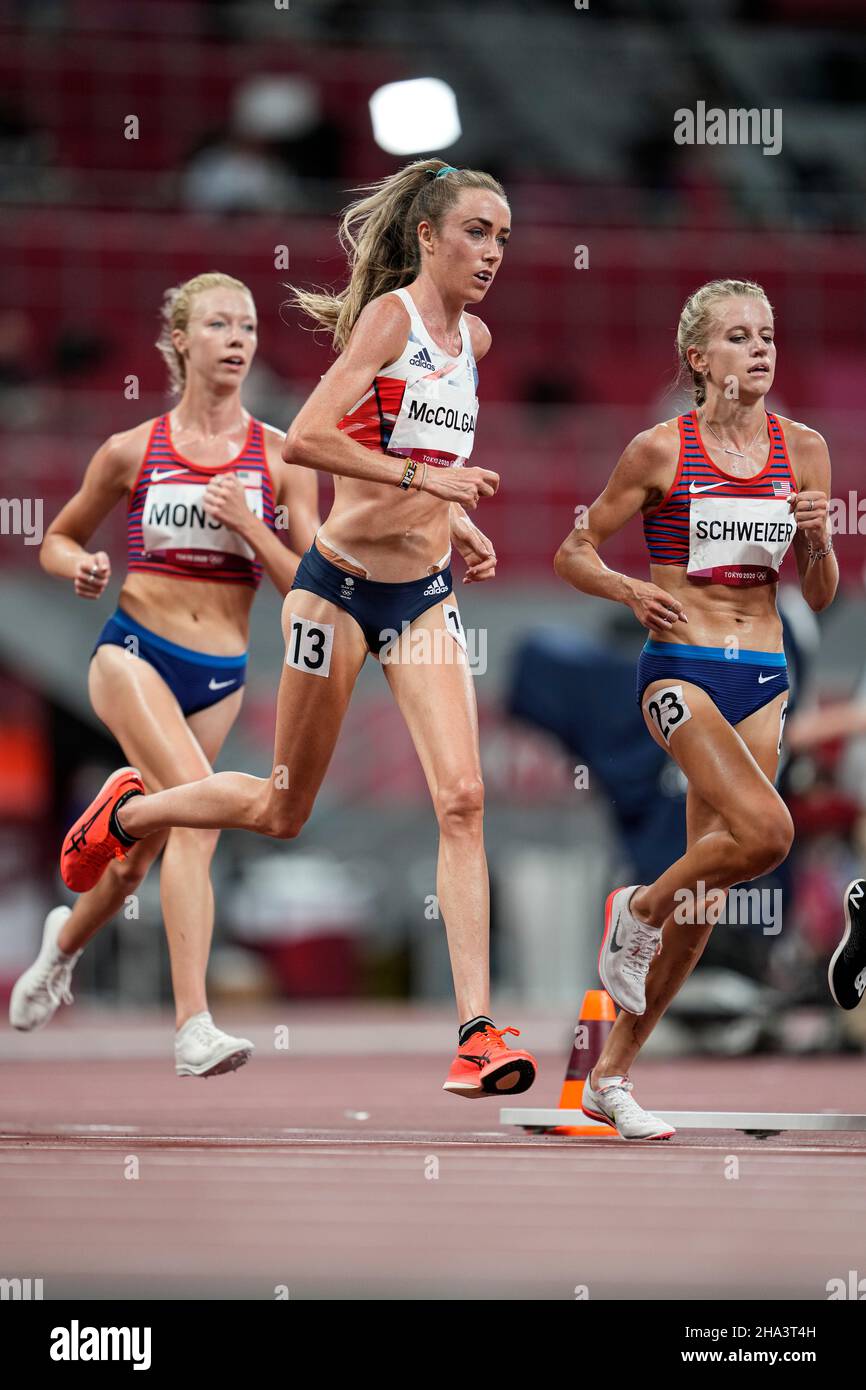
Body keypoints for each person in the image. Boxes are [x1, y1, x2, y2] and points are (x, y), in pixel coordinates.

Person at [57, 160, 537, 1099]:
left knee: (465, 798)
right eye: (478, 232)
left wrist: (456, 519)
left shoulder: (473, 337)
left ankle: (476, 1032)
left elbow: (423, 450)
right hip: (335, 592)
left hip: (423, 596)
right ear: (430, 237)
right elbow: (310, 439)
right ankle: (132, 812)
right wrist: (426, 485)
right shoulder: (389, 320)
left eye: (505, 237)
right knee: (283, 810)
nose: (493, 253)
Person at [13, 271, 319, 1078]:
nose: (238, 341)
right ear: (180, 340)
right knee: (200, 818)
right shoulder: (131, 449)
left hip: (219, 673)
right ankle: (193, 1025)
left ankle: (60, 948)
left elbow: (313, 589)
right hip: (133, 652)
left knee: (137, 859)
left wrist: (251, 525)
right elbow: (57, 537)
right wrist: (77, 564)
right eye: (219, 325)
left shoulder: (282, 457)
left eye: (248, 327)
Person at [554, 278, 838, 1138]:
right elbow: (575, 550)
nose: (760, 350)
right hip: (679, 668)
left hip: (762, 674)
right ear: (699, 357)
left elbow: (821, 597)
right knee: (771, 834)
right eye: (740, 337)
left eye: (768, 334)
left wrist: (820, 540)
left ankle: (612, 1077)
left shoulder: (806, 450)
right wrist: (630, 591)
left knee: (710, 895)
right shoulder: (658, 450)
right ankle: (636, 909)